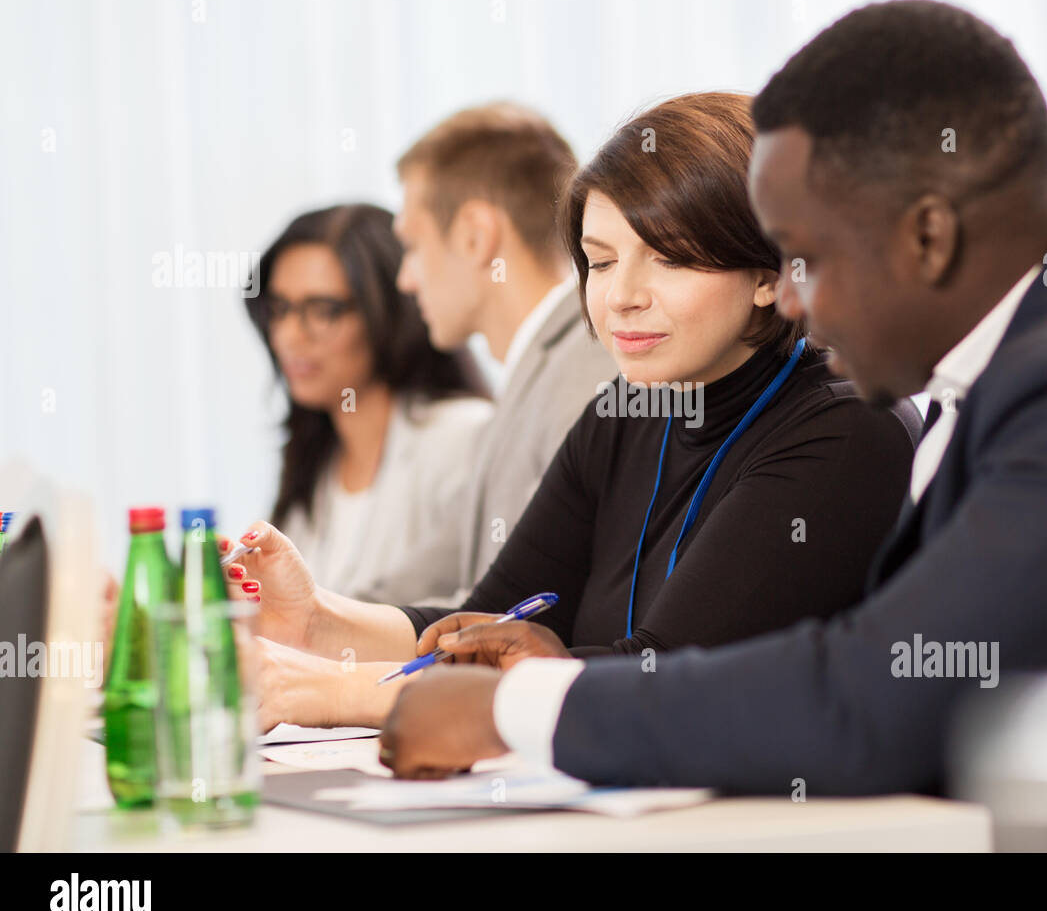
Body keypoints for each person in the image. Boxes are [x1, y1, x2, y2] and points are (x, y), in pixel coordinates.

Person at [375, 0, 1047, 794]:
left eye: (803, 257)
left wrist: (519, 705)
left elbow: (876, 695)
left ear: (926, 236)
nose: (794, 300)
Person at [230, 92, 921, 731]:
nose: (620, 296)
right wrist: (317, 621)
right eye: (601, 260)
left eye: (666, 260)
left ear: (771, 274)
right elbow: (491, 619)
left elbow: (658, 680)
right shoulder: (625, 411)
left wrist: (329, 692)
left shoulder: (845, 429)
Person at [392, 103, 616, 595]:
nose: (405, 278)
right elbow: (437, 568)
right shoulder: (534, 370)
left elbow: (535, 600)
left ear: (475, 236)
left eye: (412, 244)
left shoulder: (589, 368)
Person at [244, 203, 492, 604]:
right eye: (279, 309)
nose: (289, 335)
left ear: (390, 313)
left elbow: (478, 613)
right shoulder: (315, 458)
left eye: (323, 311)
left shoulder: (463, 437)